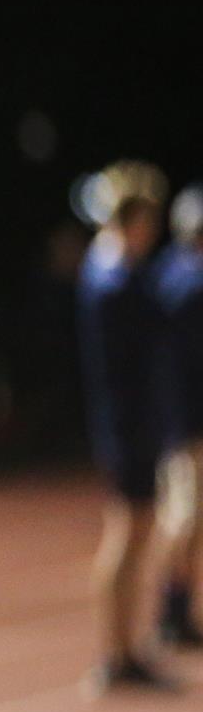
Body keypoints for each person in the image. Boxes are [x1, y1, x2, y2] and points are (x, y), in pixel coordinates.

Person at [77, 160, 176, 694]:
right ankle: (114, 652)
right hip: (127, 424)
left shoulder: (115, 272)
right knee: (127, 534)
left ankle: (123, 648)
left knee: (134, 535)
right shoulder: (116, 278)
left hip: (131, 421)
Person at [151, 184, 203, 647]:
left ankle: (176, 607)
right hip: (186, 422)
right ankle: (172, 609)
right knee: (185, 517)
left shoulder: (166, 271)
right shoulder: (189, 283)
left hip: (174, 418)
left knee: (183, 517)